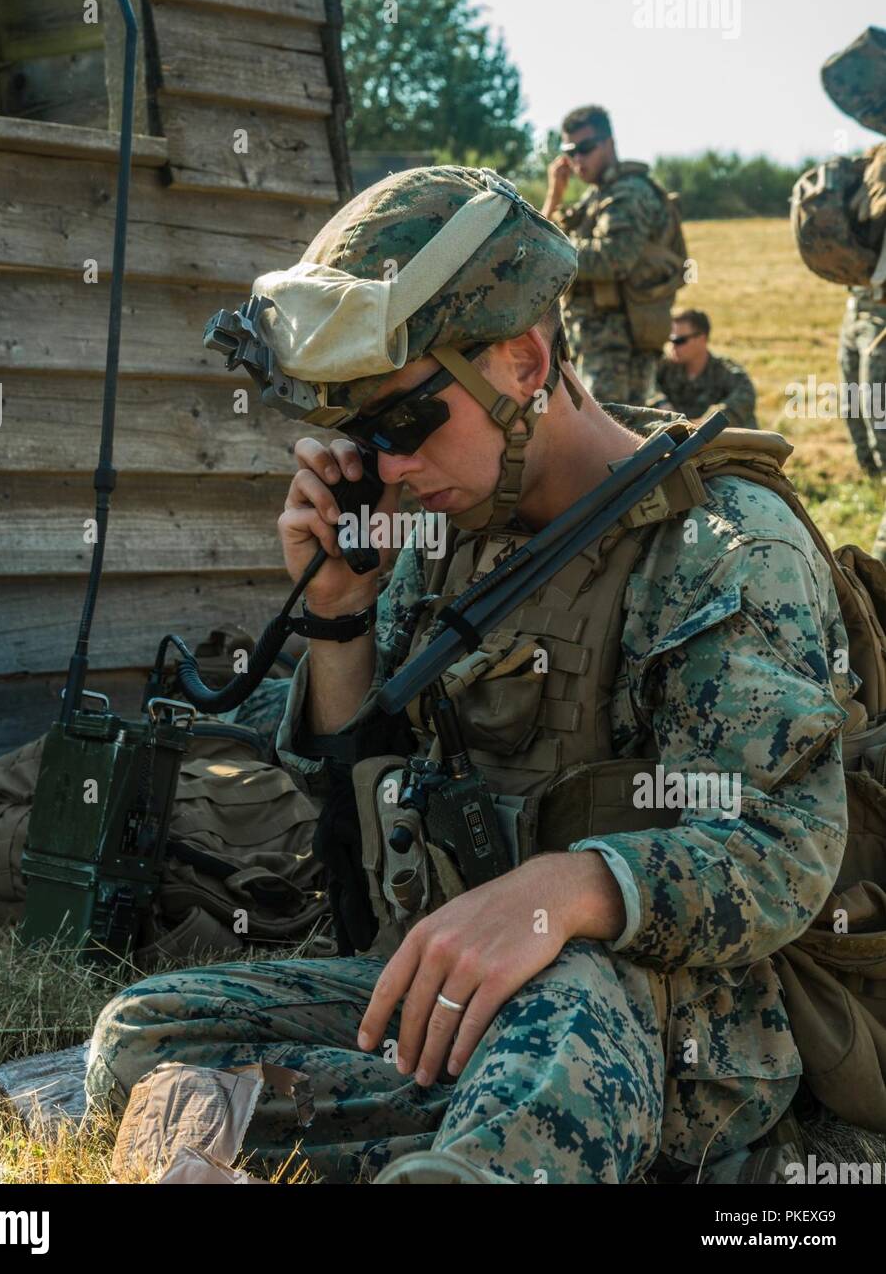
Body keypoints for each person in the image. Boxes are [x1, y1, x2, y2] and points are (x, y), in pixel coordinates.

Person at [86, 166, 851, 1185]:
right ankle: (503, 1140)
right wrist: (339, 617)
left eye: (401, 425)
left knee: (568, 1001)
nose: (385, 470)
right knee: (137, 1042)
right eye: (359, 437)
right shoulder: (444, 547)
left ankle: (497, 1143)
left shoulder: (722, 549)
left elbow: (779, 847)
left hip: (657, 1011)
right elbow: (366, 842)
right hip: (457, 996)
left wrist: (569, 888)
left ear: (525, 360)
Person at [541, 105, 678, 406]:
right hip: (596, 343)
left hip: (619, 347)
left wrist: (555, 247)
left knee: (616, 442)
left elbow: (614, 258)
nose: (578, 159)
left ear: (610, 145)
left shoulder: (628, 192)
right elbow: (541, 246)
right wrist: (554, 195)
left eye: (586, 148)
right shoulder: (598, 195)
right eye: (570, 150)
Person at [651, 309, 758, 428]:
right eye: (670, 340)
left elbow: (745, 398)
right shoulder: (665, 367)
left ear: (701, 339)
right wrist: (661, 403)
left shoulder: (725, 370)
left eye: (680, 341)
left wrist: (707, 422)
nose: (673, 346)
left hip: (718, 441)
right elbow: (645, 386)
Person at [838, 285, 886, 486]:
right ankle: (872, 477)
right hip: (853, 312)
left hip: (880, 316)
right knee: (850, 404)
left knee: (874, 405)